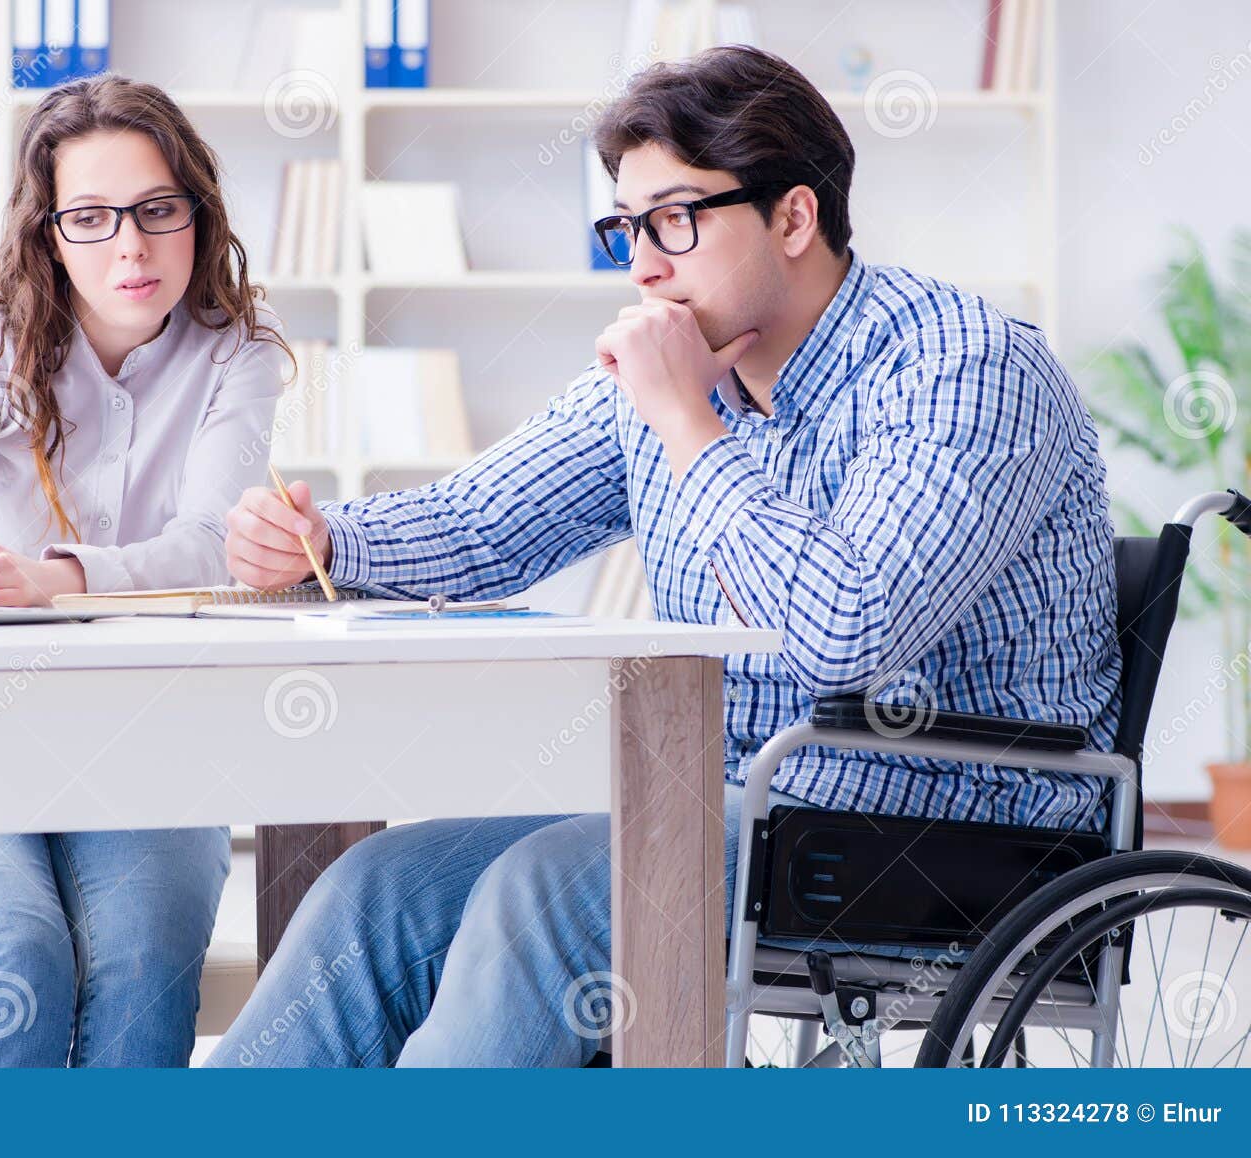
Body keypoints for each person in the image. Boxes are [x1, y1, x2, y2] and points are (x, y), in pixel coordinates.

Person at [207, 46, 1121, 1068]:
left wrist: (690, 425)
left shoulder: (967, 368)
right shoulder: (683, 364)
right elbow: (484, 524)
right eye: (626, 228)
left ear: (792, 217)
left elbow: (844, 629)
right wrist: (323, 539)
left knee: (550, 888)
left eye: (674, 220)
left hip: (956, 828)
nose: (641, 263)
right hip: (744, 804)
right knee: (376, 892)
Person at [0, 75, 289, 1067]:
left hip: (148, 750)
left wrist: (59, 576)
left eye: (155, 211)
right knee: (19, 953)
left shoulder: (239, 354)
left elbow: (214, 550)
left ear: (197, 213)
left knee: (141, 967)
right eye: (91, 218)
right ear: (50, 232)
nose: (130, 247)